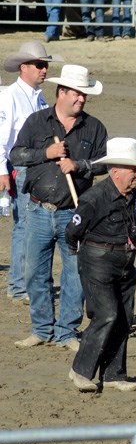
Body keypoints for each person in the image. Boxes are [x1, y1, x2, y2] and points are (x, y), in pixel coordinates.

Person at [9, 64, 108, 350]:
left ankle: (67, 332)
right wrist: (46, 153)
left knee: (74, 272)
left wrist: (79, 165)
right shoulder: (37, 122)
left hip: (73, 213)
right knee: (34, 273)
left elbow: (106, 163)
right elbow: (17, 154)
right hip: (38, 210)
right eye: (77, 94)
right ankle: (41, 329)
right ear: (61, 92)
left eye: (84, 95)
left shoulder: (95, 127)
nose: (81, 99)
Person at [66, 138, 136, 393]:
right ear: (115, 172)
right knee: (106, 314)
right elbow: (72, 232)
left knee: (124, 318)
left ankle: (115, 374)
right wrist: (84, 258)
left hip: (126, 263)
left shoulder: (134, 196)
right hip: (98, 262)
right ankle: (81, 370)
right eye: (133, 170)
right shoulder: (94, 198)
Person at [0, 42, 61, 304]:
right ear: (23, 67)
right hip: (21, 167)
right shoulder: (9, 96)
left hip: (35, 167)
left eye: (45, 64)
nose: (44, 69)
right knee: (25, 227)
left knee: (30, 226)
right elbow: (2, 138)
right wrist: (1, 170)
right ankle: (17, 285)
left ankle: (22, 283)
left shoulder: (38, 96)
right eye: (39, 64)